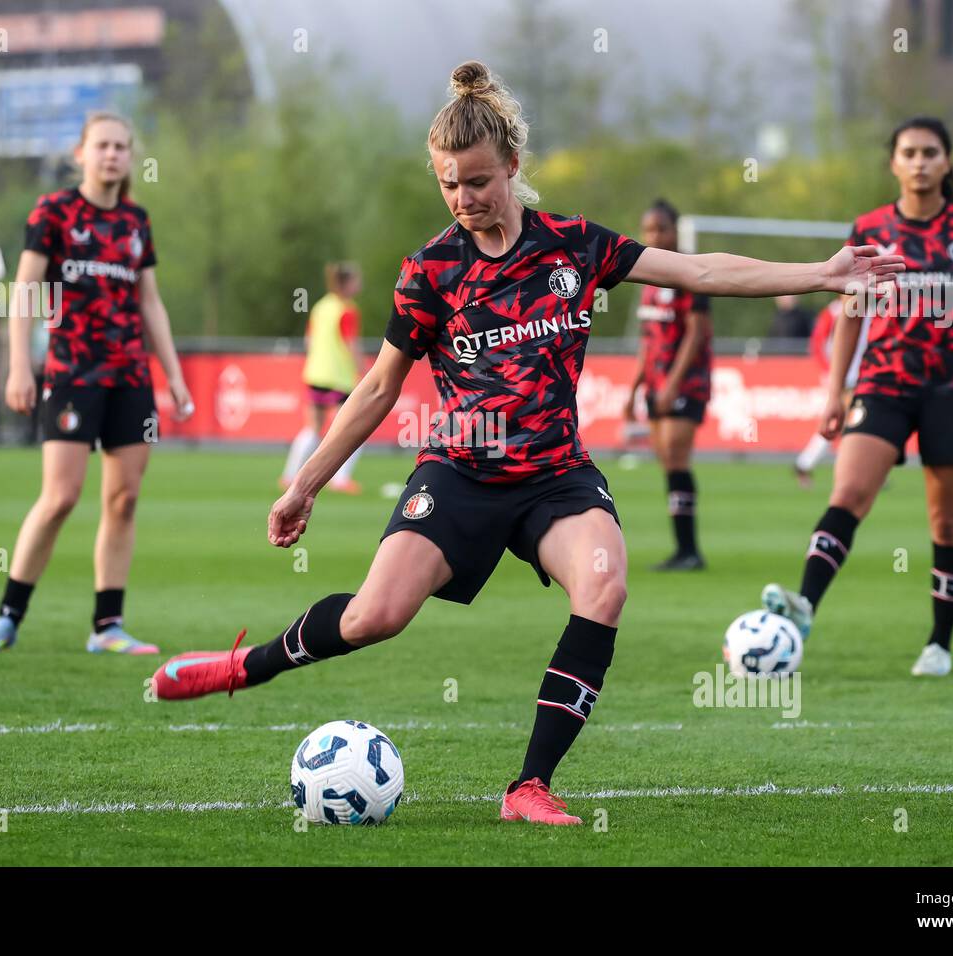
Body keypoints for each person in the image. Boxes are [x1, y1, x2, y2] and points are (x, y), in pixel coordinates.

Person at [148, 61, 902, 825]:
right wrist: (304, 482)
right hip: (460, 470)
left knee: (604, 585)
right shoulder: (429, 273)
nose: (466, 199)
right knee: (373, 617)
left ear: (512, 165)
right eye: (450, 185)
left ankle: (528, 786)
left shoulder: (575, 247)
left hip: (555, 474)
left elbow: (700, 269)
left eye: (478, 180)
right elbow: (377, 388)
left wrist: (820, 274)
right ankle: (246, 665)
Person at [762, 117, 953, 678]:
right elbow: (849, 311)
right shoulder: (872, 227)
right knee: (850, 489)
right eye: (909, 152)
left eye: (931, 152)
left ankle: (939, 644)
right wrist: (834, 389)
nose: (920, 161)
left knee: (947, 524)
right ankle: (804, 605)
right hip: (883, 383)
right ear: (894, 163)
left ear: (947, 162)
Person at [0, 110, 194, 655]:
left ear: (130, 156)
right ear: (81, 153)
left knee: (123, 500)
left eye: (120, 146)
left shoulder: (137, 222)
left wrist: (175, 377)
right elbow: (23, 292)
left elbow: (150, 303)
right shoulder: (54, 212)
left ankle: (107, 626)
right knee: (60, 497)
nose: (112, 154)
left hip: (130, 377)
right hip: (72, 374)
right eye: (102, 145)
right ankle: (7, 617)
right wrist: (19, 366)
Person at [623, 198, 713, 570]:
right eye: (648, 229)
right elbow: (648, 340)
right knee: (667, 461)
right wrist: (633, 389)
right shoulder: (648, 276)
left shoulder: (691, 273)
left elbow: (697, 333)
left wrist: (674, 382)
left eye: (661, 228)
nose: (654, 236)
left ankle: (690, 550)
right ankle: (683, 549)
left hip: (685, 382)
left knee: (677, 457)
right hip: (656, 383)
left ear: (676, 231)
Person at [281, 262, 366, 494]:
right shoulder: (347, 309)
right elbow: (351, 344)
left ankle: (289, 476)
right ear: (346, 283)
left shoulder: (321, 306)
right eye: (356, 280)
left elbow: (309, 341)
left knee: (313, 428)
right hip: (338, 377)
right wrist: (364, 371)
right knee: (355, 427)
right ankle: (341, 479)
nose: (360, 284)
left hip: (315, 373)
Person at [792, 297, 870, 487]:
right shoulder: (834, 311)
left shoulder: (870, 307)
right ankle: (858, 470)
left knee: (845, 422)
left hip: (860, 373)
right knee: (848, 422)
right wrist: (831, 372)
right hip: (845, 375)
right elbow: (818, 341)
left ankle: (806, 463)